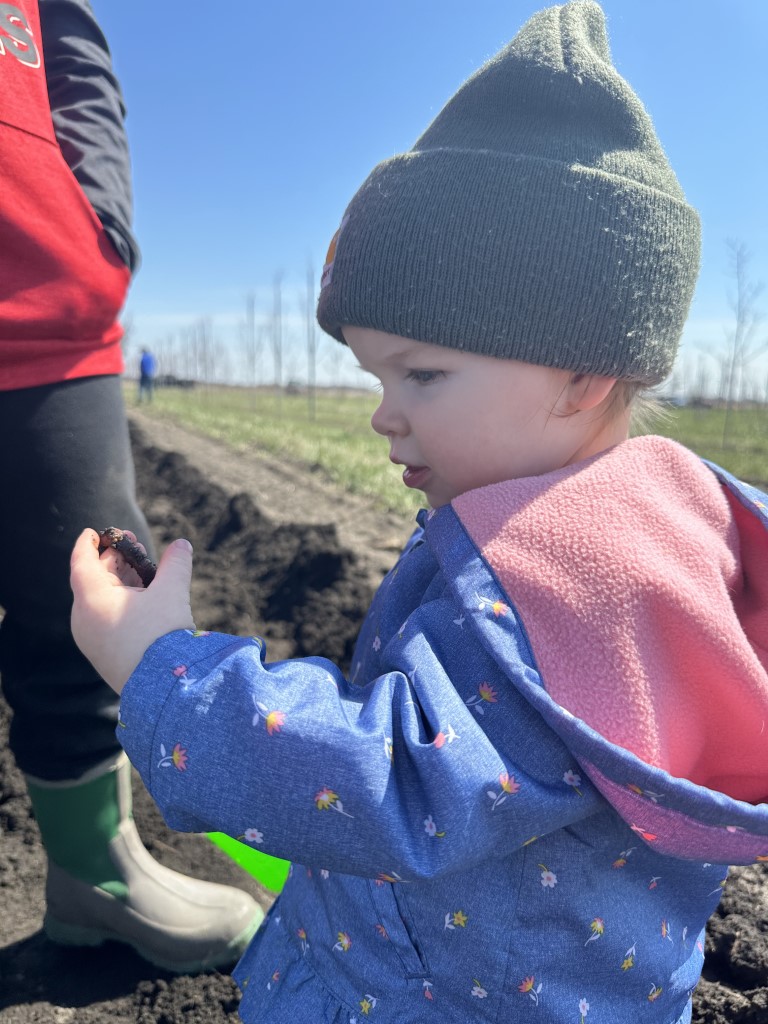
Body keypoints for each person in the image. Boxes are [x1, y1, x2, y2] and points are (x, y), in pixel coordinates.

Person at [70, 2, 768, 1021]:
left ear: (583, 373)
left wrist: (162, 672)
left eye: (423, 373)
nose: (383, 414)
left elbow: (385, 776)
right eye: (374, 373)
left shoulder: (570, 587)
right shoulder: (631, 525)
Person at [0, 0, 262, 972]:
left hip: (43, 318)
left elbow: (72, 52)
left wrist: (93, 229)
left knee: (78, 605)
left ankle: (94, 880)